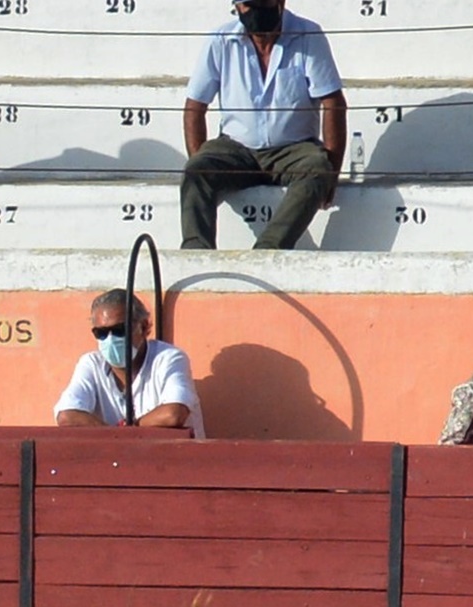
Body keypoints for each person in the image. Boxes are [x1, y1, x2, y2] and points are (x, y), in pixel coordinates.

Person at [181, 0, 346, 251]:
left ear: (280, 2)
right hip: (235, 148)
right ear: (237, 7)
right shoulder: (220, 40)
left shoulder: (308, 35)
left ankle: (268, 252)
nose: (257, 11)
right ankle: (195, 256)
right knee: (196, 170)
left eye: (263, 2)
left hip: (295, 149)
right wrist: (200, 157)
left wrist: (332, 173)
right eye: (249, 4)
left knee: (318, 169)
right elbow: (194, 107)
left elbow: (333, 102)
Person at [53, 290, 206, 438]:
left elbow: (173, 414)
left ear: (144, 327)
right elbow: (67, 415)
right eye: (101, 333)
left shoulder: (168, 358)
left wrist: (124, 430)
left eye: (119, 330)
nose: (110, 339)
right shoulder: (91, 364)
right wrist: (117, 435)